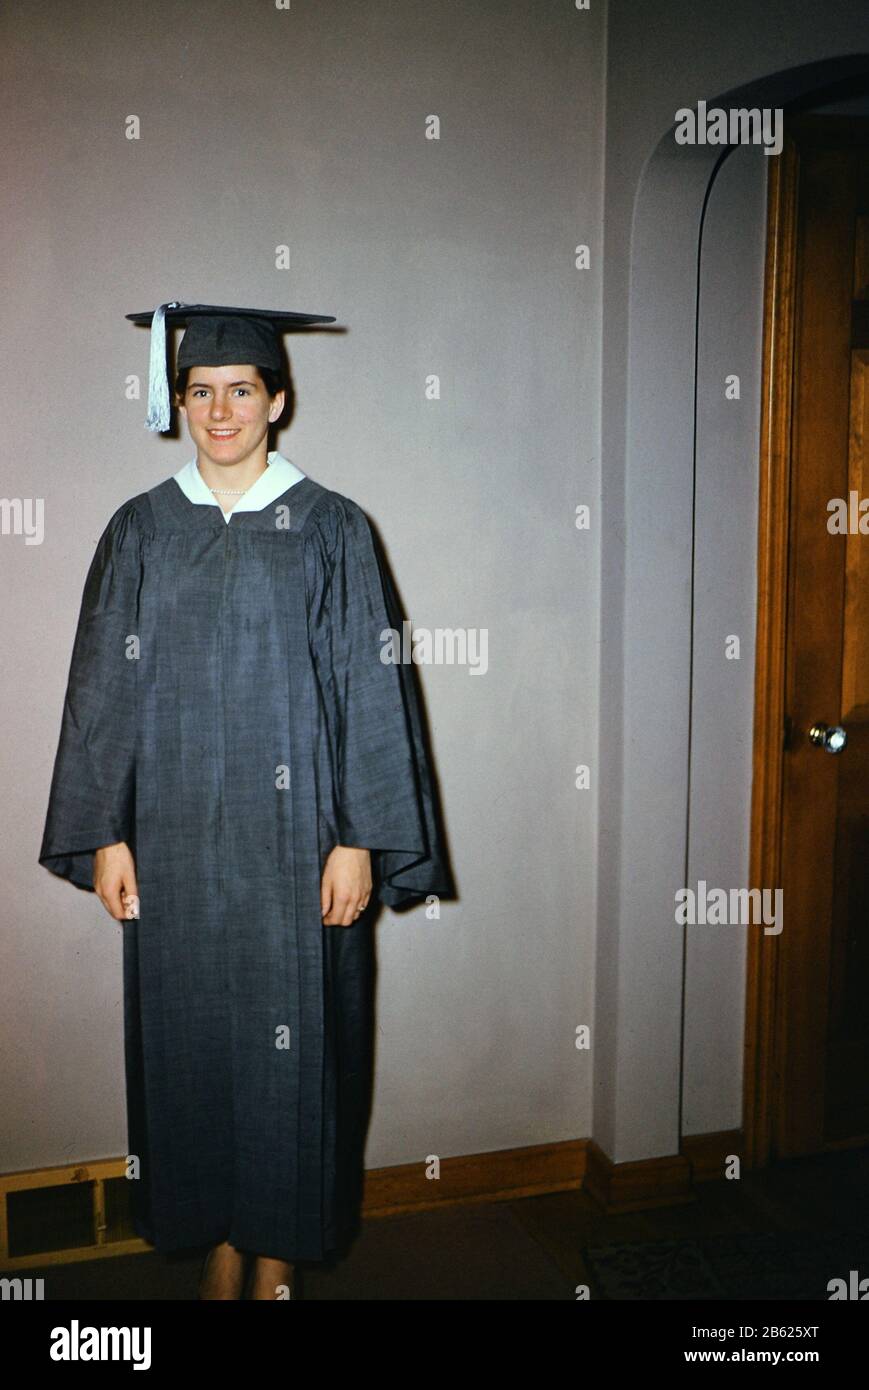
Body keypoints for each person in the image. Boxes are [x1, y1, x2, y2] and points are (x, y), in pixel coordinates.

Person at [39, 302, 452, 1300]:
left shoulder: (331, 529)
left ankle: (276, 1258)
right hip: (177, 847)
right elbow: (103, 687)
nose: (219, 410)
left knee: (298, 1055)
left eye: (240, 390)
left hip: (300, 840)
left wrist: (360, 837)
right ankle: (220, 1240)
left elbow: (369, 685)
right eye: (199, 391)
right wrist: (104, 832)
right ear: (177, 401)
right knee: (192, 1050)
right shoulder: (138, 530)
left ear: (277, 399)